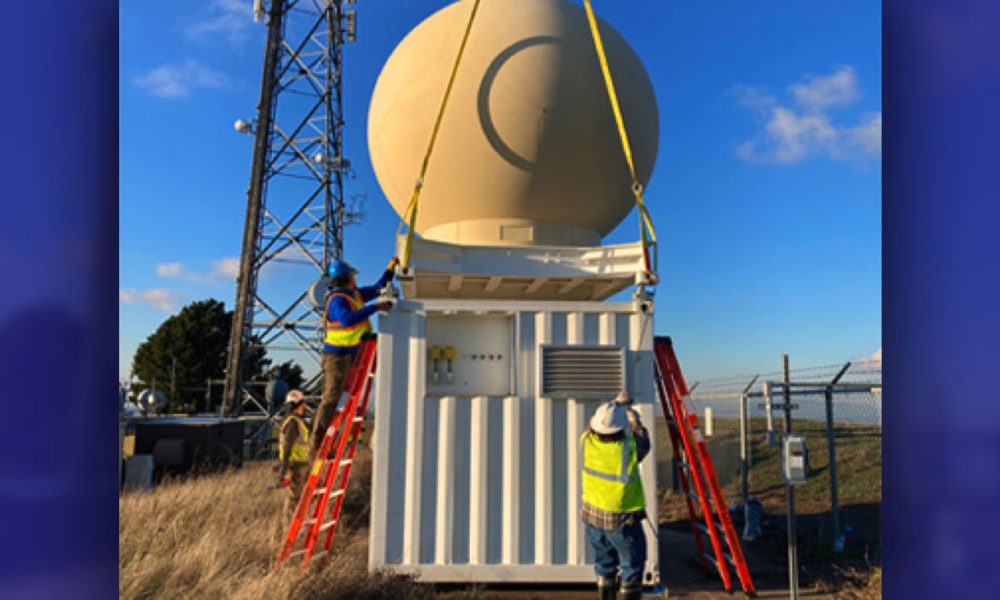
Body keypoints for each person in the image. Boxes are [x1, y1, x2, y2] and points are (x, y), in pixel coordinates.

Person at [310, 257, 396, 458]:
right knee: (331, 398)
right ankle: (317, 445)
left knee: (344, 399)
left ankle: (330, 442)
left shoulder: (354, 295)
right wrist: (376, 307)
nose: (355, 278)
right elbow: (347, 320)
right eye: (352, 275)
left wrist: (391, 268)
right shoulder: (338, 300)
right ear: (347, 278)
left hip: (349, 354)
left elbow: (378, 287)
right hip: (336, 357)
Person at [580, 392, 651, 600]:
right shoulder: (628, 449)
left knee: (605, 565)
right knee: (632, 566)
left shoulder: (586, 441)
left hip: (593, 516)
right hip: (620, 520)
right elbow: (643, 440)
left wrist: (614, 407)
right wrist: (631, 416)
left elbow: (594, 425)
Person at [276, 390, 310, 520]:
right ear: (296, 405)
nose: (304, 407)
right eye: (302, 404)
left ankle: (297, 523)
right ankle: (289, 526)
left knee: (302, 496)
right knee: (294, 498)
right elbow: (287, 447)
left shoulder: (298, 421)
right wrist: (284, 469)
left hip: (300, 465)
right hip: (294, 466)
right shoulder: (293, 423)